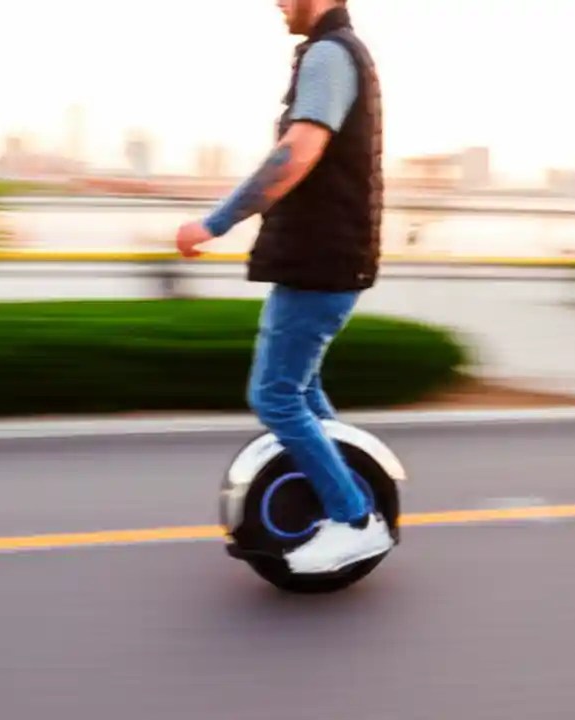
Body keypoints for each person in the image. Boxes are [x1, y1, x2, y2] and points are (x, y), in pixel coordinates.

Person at [175, 0, 392, 575]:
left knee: (275, 395)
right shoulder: (338, 53)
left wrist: (213, 223)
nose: (275, 2)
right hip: (321, 260)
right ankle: (348, 497)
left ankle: (353, 521)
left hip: (320, 261)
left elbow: (296, 154)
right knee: (304, 392)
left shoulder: (328, 54)